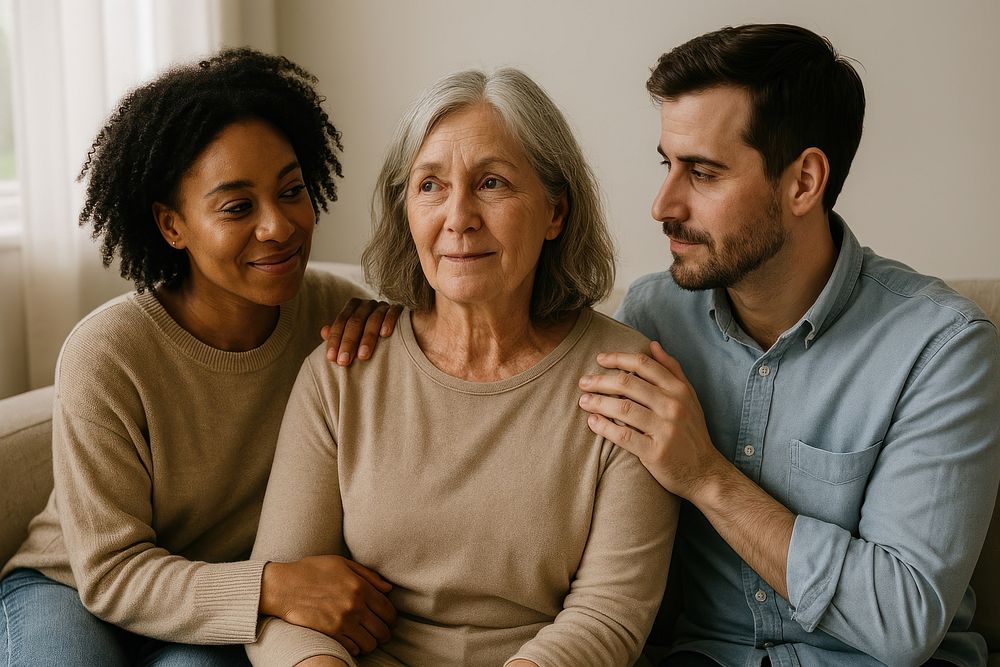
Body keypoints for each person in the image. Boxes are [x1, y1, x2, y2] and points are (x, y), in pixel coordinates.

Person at [577, 23, 1000, 666]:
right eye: (668, 164)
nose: (663, 203)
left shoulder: (941, 349)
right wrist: (382, 321)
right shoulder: (653, 317)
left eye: (704, 173)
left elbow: (907, 618)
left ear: (804, 181)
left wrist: (706, 476)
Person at [246, 67, 679, 667]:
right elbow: (282, 605)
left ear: (556, 212)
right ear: (406, 211)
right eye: (430, 186)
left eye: (493, 183)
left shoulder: (625, 379)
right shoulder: (341, 372)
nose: (459, 216)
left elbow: (608, 616)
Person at [0, 48, 399, 665]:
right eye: (237, 207)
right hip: (72, 588)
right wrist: (273, 585)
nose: (279, 226)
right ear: (171, 225)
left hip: (225, 601)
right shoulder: (107, 354)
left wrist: (399, 333)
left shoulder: (341, 318)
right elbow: (108, 572)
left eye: (291, 191)